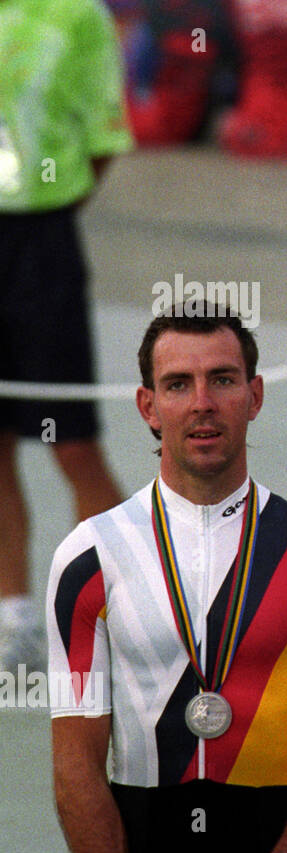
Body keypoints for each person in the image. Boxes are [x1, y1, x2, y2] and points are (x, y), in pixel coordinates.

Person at [47, 307, 287, 853]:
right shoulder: (87, 557)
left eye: (222, 380)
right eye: (178, 384)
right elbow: (76, 764)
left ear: (255, 395)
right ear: (148, 407)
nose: (203, 402)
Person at [0, 0, 130, 671]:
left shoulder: (79, 15)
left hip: (41, 243)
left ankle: (125, 611)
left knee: (72, 442)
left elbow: (104, 140)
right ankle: (12, 615)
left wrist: (41, 208)